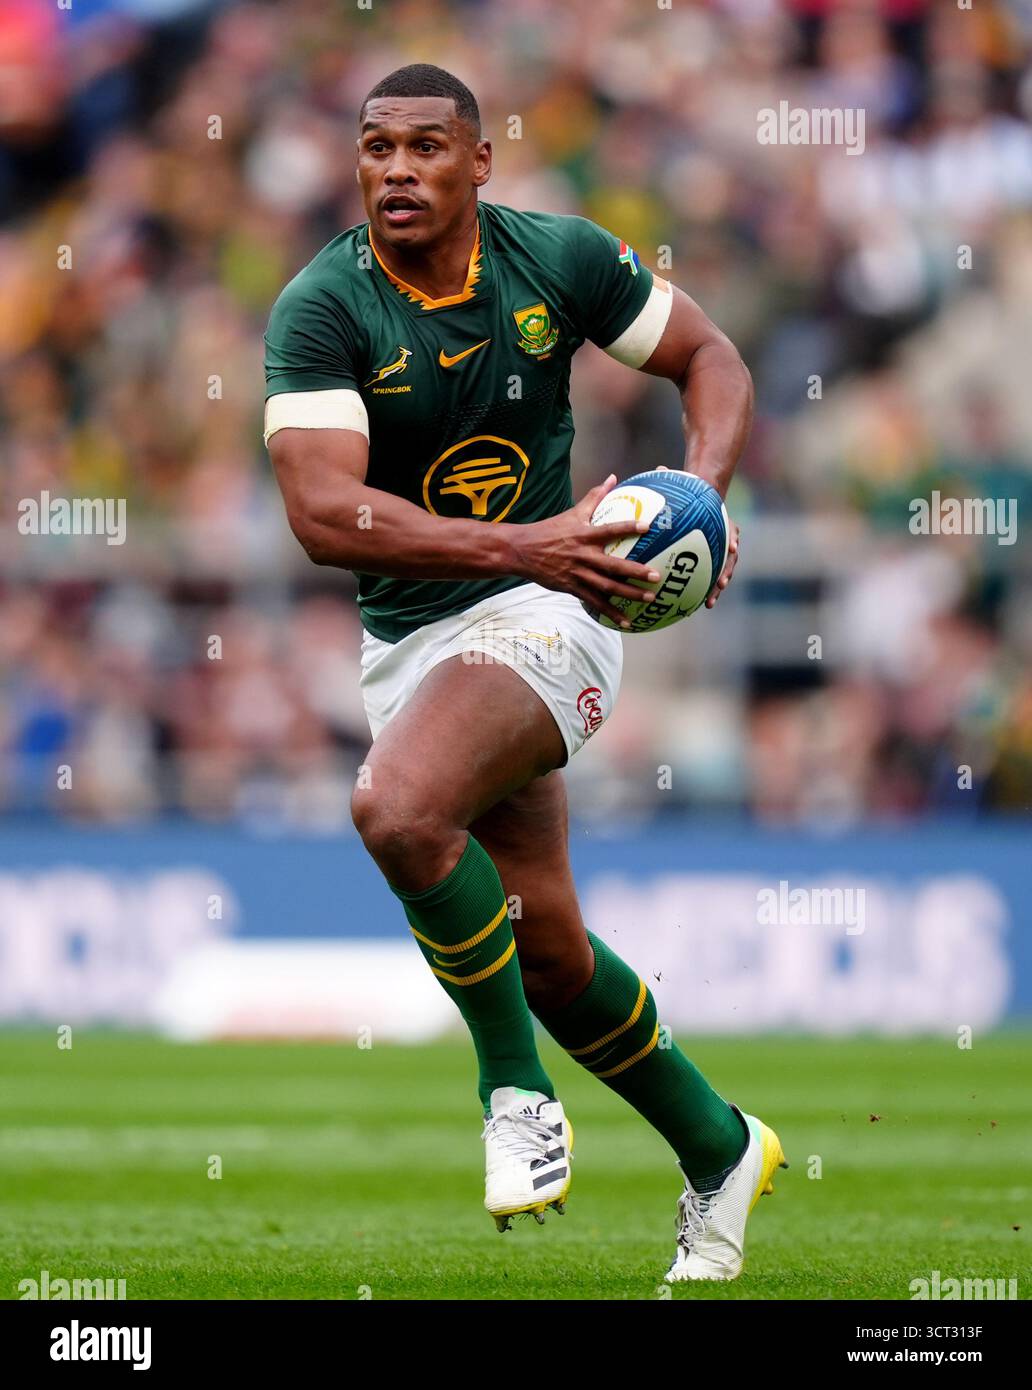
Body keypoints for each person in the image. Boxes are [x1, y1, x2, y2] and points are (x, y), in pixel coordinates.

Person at [264, 63, 785, 1281]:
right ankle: (722, 1147)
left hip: (557, 610)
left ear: (481, 161)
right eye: (377, 148)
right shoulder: (321, 307)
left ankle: (512, 1091)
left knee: (396, 805)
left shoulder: (560, 257)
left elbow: (713, 359)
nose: (399, 170)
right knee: (545, 947)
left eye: (428, 148)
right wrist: (522, 541)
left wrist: (701, 487)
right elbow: (326, 515)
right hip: (419, 634)